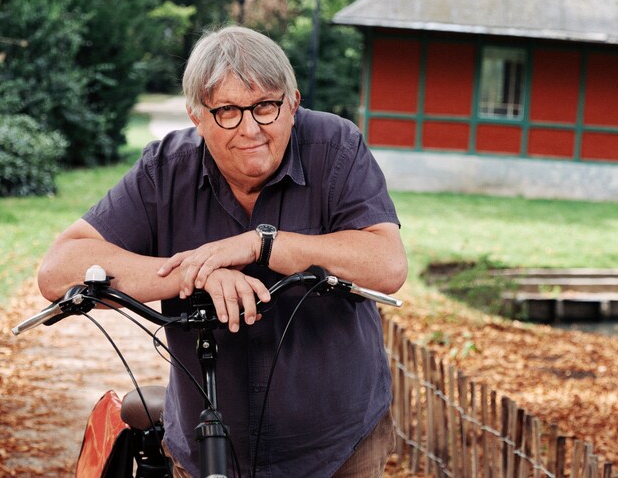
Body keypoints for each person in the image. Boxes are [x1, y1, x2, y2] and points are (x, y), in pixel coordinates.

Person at [38, 25, 408, 477]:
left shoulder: (337, 148)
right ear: (198, 116)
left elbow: (387, 264)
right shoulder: (165, 168)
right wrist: (196, 272)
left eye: (266, 107)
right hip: (202, 447)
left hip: (335, 447)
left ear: (292, 103)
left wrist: (263, 243)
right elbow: (58, 268)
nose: (250, 128)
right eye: (228, 111)